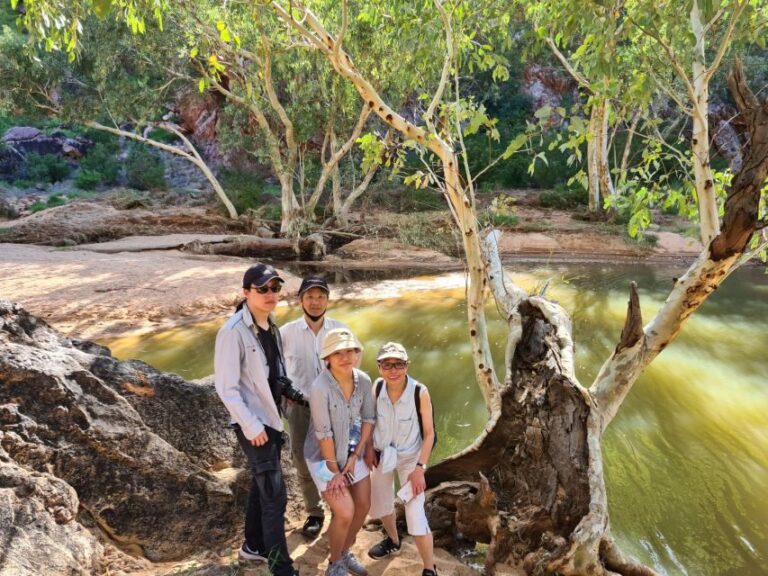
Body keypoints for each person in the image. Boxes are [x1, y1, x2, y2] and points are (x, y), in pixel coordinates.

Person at [213, 263, 298, 576]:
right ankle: (280, 567)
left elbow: (272, 371)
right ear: (246, 292)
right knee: (275, 496)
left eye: (275, 288)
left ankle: (253, 546)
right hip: (255, 426)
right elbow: (226, 388)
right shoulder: (232, 332)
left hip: (272, 420)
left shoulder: (271, 325)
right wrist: (251, 426)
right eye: (262, 289)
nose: (270, 294)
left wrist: (285, 391)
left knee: (263, 489)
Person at [280, 275, 350, 538]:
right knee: (302, 458)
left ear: (328, 300)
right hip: (300, 407)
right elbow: (275, 369)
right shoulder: (286, 333)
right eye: (310, 296)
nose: (315, 302)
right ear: (301, 300)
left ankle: (340, 509)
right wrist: (284, 392)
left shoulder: (340, 330)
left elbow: (353, 365)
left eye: (321, 296)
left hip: (334, 407)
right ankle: (315, 512)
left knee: (336, 458)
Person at [306, 328, 375, 576]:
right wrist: (335, 471)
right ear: (327, 357)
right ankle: (334, 564)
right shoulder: (320, 387)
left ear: (357, 353)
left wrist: (356, 456)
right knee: (345, 511)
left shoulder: (364, 380)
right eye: (338, 353)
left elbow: (368, 419)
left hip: (354, 450)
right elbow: (323, 434)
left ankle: (344, 551)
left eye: (350, 351)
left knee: (363, 505)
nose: (345, 357)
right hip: (324, 458)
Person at [365, 342, 437, 576]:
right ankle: (393, 541)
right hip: (382, 455)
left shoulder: (419, 392)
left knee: (415, 515)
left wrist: (420, 468)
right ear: (379, 367)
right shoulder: (377, 387)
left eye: (399, 364)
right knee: (381, 503)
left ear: (407, 365)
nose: (393, 370)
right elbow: (370, 421)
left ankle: (429, 568)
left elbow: (430, 434)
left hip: (410, 459)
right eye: (387, 364)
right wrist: (369, 448)